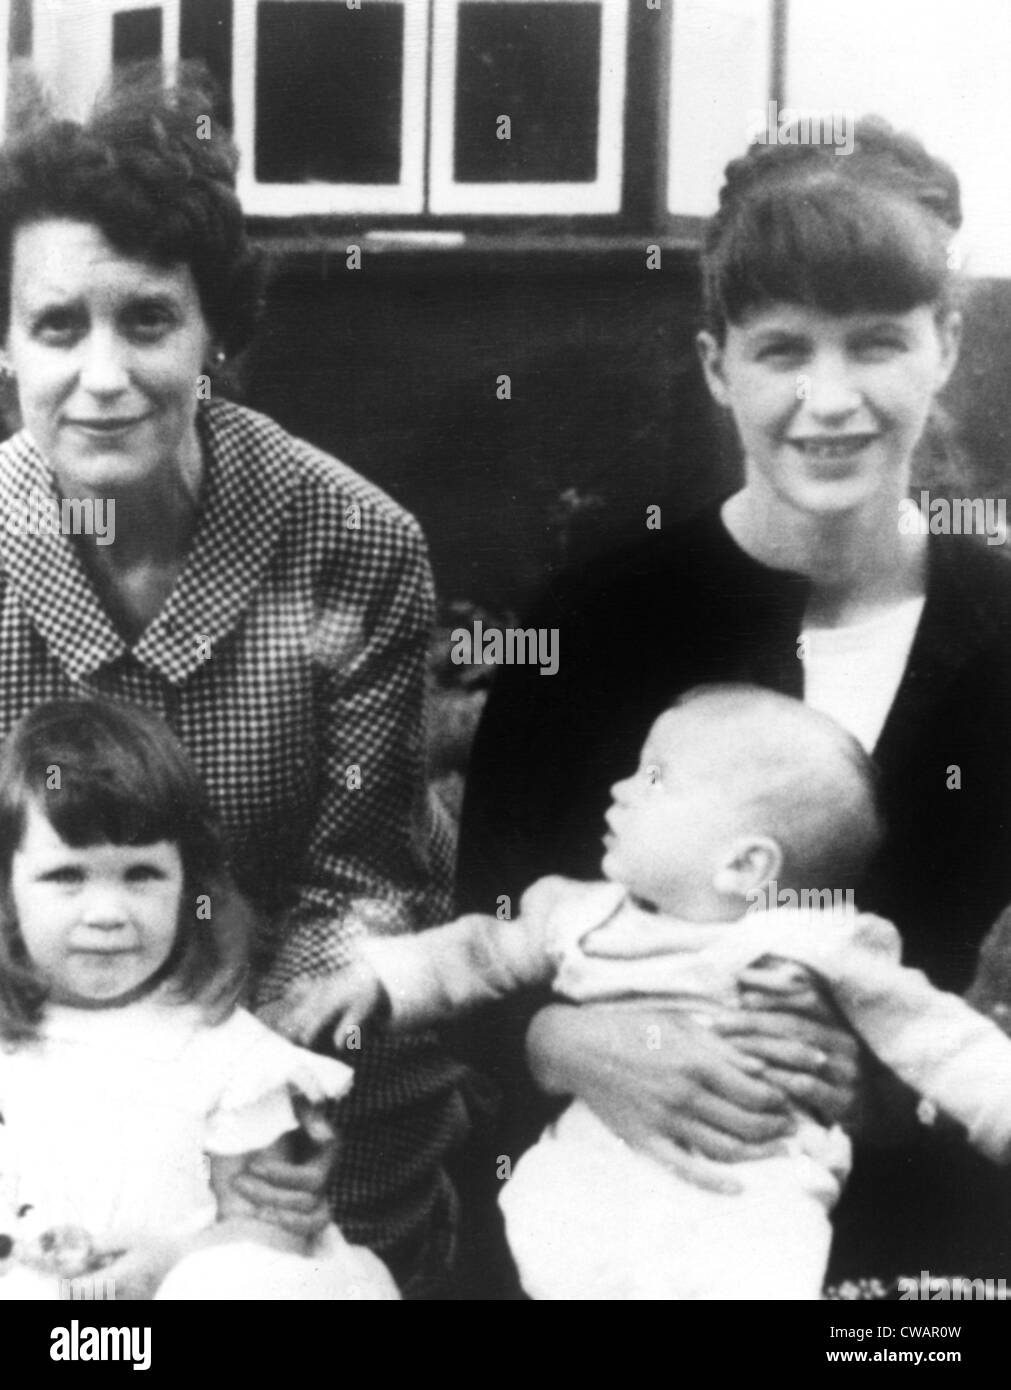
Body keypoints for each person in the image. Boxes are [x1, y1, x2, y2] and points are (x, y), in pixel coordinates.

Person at [453, 115, 1011, 1291]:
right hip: (624, 1232)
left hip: (919, 1252)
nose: (831, 400)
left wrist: (896, 1088)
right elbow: (482, 930)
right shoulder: (601, 622)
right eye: (782, 350)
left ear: (947, 346)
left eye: (876, 344)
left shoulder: (999, 632)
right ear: (716, 365)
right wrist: (566, 1039)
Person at [0, 71, 467, 1298]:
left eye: (148, 321)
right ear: (5, 342)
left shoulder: (355, 543)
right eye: (58, 327)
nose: (102, 376)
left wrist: (267, 1109)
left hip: (304, 1100)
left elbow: (363, 876)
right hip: (36, 1086)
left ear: (216, 333)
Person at [270, 686, 1011, 1299]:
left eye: (653, 778)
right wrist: (376, 976)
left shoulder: (816, 941)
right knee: (562, 1245)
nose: (621, 789)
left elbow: (939, 1038)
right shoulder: (578, 912)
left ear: (743, 865)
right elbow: (477, 953)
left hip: (745, 1197)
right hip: (592, 1176)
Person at [0, 698, 399, 1301]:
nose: (107, 914)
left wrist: (163, 1264)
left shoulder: (222, 1050)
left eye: (142, 875)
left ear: (189, 887)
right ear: (8, 890)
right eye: (66, 876)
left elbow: (271, 1228)